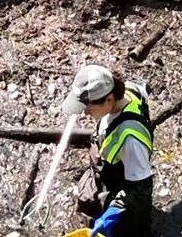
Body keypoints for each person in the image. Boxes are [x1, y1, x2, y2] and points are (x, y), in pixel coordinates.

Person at [61, 65, 154, 237]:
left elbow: (141, 188)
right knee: (87, 200)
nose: (85, 114)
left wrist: (114, 211)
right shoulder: (130, 90)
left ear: (109, 99)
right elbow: (143, 89)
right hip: (106, 169)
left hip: (124, 184)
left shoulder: (131, 140)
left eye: (89, 109)